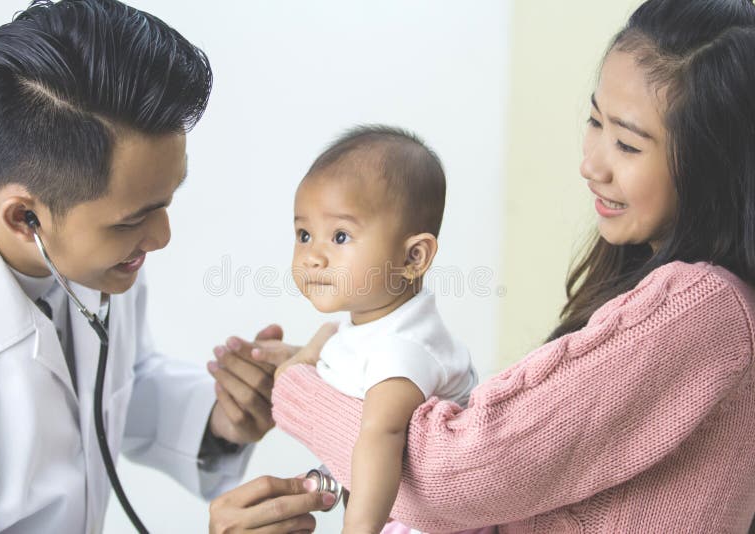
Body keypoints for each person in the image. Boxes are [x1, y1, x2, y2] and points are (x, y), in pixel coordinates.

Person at [231, 0, 755, 531]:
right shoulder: (692, 300)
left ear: (710, 162)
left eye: (626, 144)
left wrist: (297, 389)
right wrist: (337, 372)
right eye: (594, 121)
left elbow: (451, 476)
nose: (590, 164)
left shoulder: (703, 306)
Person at [0, 1, 330, 532]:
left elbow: (112, 384)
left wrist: (221, 420)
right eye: (133, 220)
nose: (161, 237)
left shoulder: (86, 238)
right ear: (25, 217)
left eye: (165, 202)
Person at [283, 125, 478, 533]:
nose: (313, 256)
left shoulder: (403, 352)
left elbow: (380, 438)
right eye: (304, 234)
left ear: (413, 258)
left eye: (340, 236)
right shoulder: (369, 324)